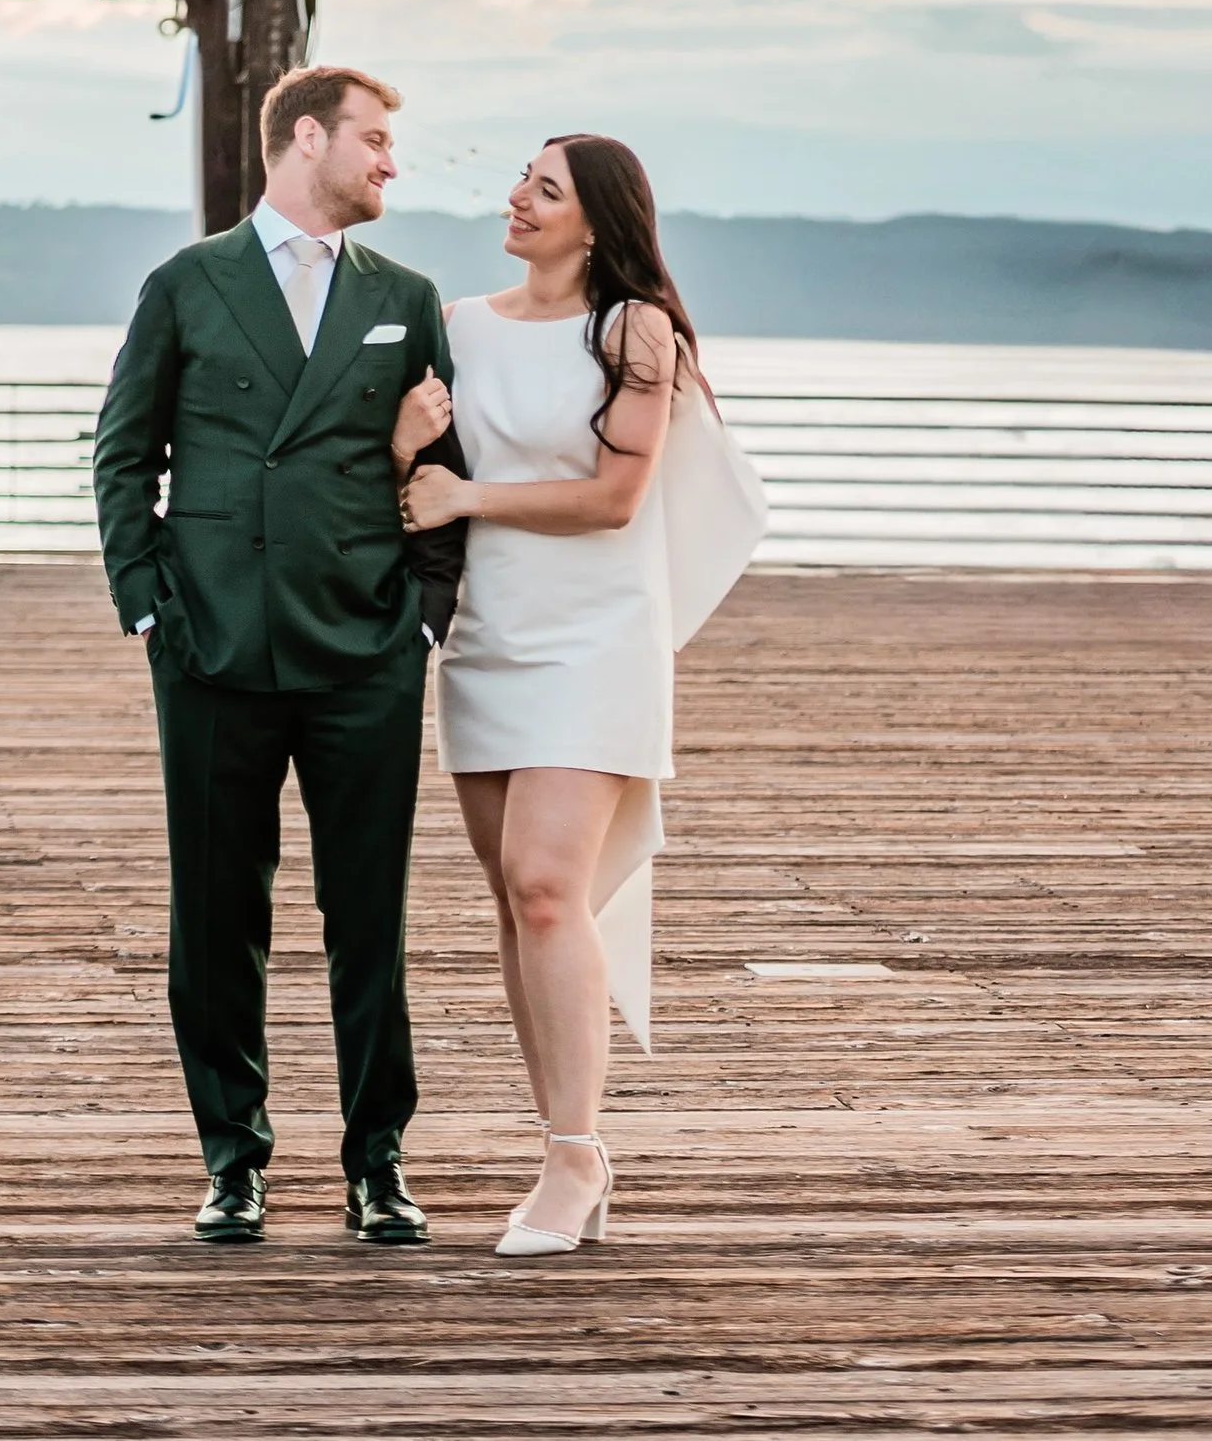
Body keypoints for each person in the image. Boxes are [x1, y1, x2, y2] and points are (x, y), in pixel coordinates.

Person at [92, 65, 455, 1247]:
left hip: (363, 645)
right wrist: (148, 607)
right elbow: (122, 453)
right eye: (376, 138)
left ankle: (377, 1161)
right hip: (213, 646)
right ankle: (232, 1157)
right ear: (308, 136)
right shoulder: (186, 283)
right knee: (214, 915)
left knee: (370, 918)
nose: (391, 161)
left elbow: (444, 471)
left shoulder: (406, 294)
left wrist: (425, 611)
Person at [397, 133, 767, 1257]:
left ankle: (574, 1154)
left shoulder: (633, 330)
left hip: (597, 637)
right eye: (522, 177)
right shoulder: (459, 324)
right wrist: (405, 449)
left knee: (549, 886)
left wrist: (467, 496)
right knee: (519, 902)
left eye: (546, 188)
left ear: (597, 221)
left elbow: (614, 498)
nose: (518, 196)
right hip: (486, 637)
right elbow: (415, 478)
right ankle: (565, 1142)